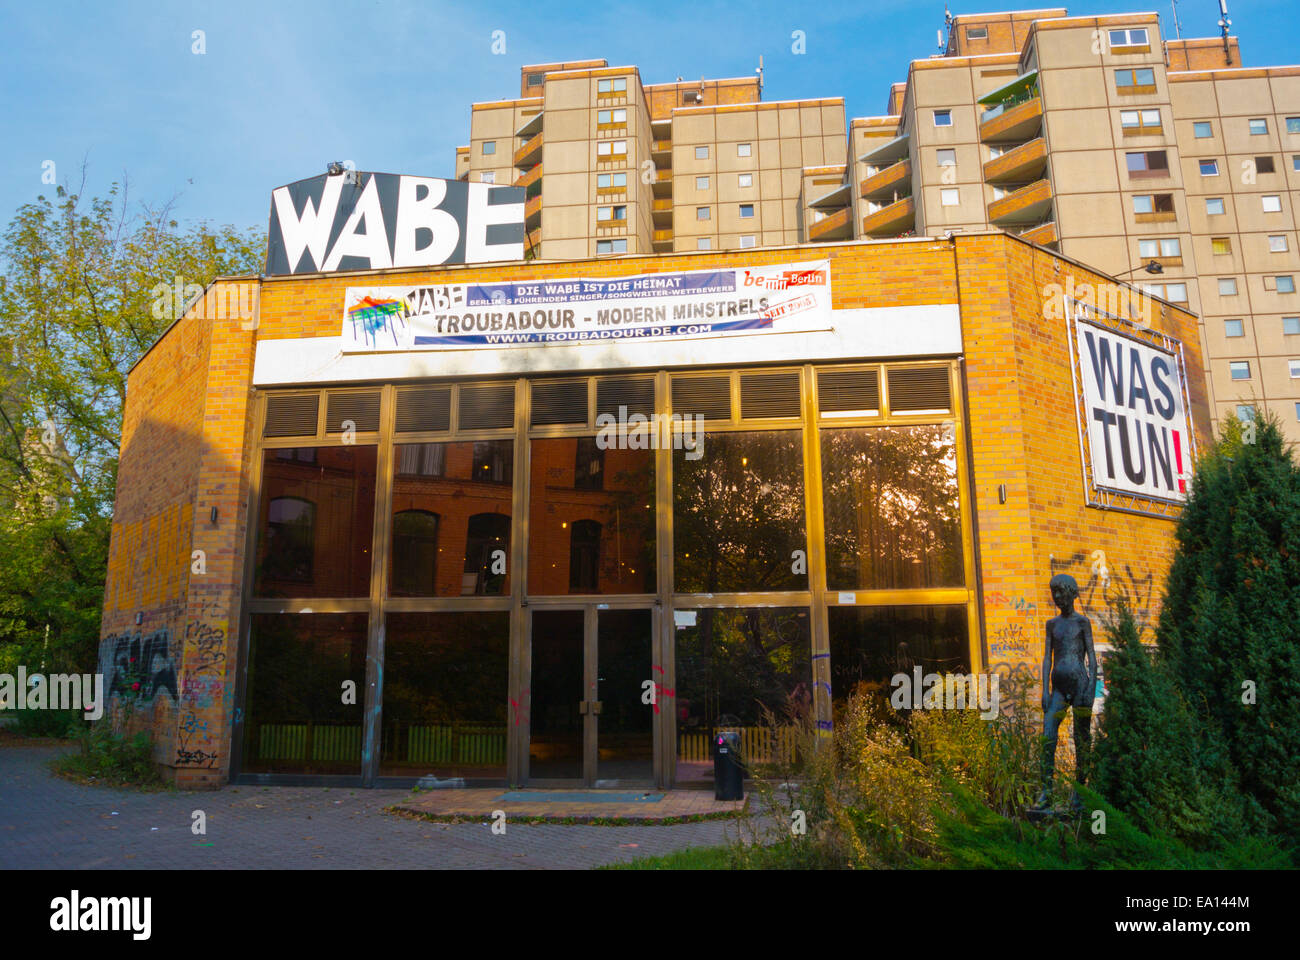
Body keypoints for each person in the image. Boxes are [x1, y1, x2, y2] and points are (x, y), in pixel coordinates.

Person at [1034, 573, 1097, 810]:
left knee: (1081, 738)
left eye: (1061, 592)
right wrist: (1044, 690)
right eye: (1054, 593)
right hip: (1058, 689)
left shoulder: (1083, 623)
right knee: (1047, 736)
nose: (1057, 597)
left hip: (1080, 687)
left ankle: (1080, 790)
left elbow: (1091, 657)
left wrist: (1091, 687)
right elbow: (1047, 658)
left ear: (1072, 592)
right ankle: (1046, 791)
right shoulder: (1052, 624)